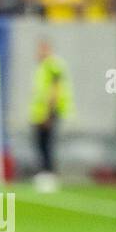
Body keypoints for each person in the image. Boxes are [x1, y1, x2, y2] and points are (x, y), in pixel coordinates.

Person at [30, 39, 73, 191]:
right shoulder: (43, 67)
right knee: (41, 144)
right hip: (40, 113)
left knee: (46, 145)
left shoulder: (52, 66)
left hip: (47, 113)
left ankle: (49, 177)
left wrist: (49, 113)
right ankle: (45, 175)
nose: (38, 53)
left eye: (42, 49)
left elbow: (55, 90)